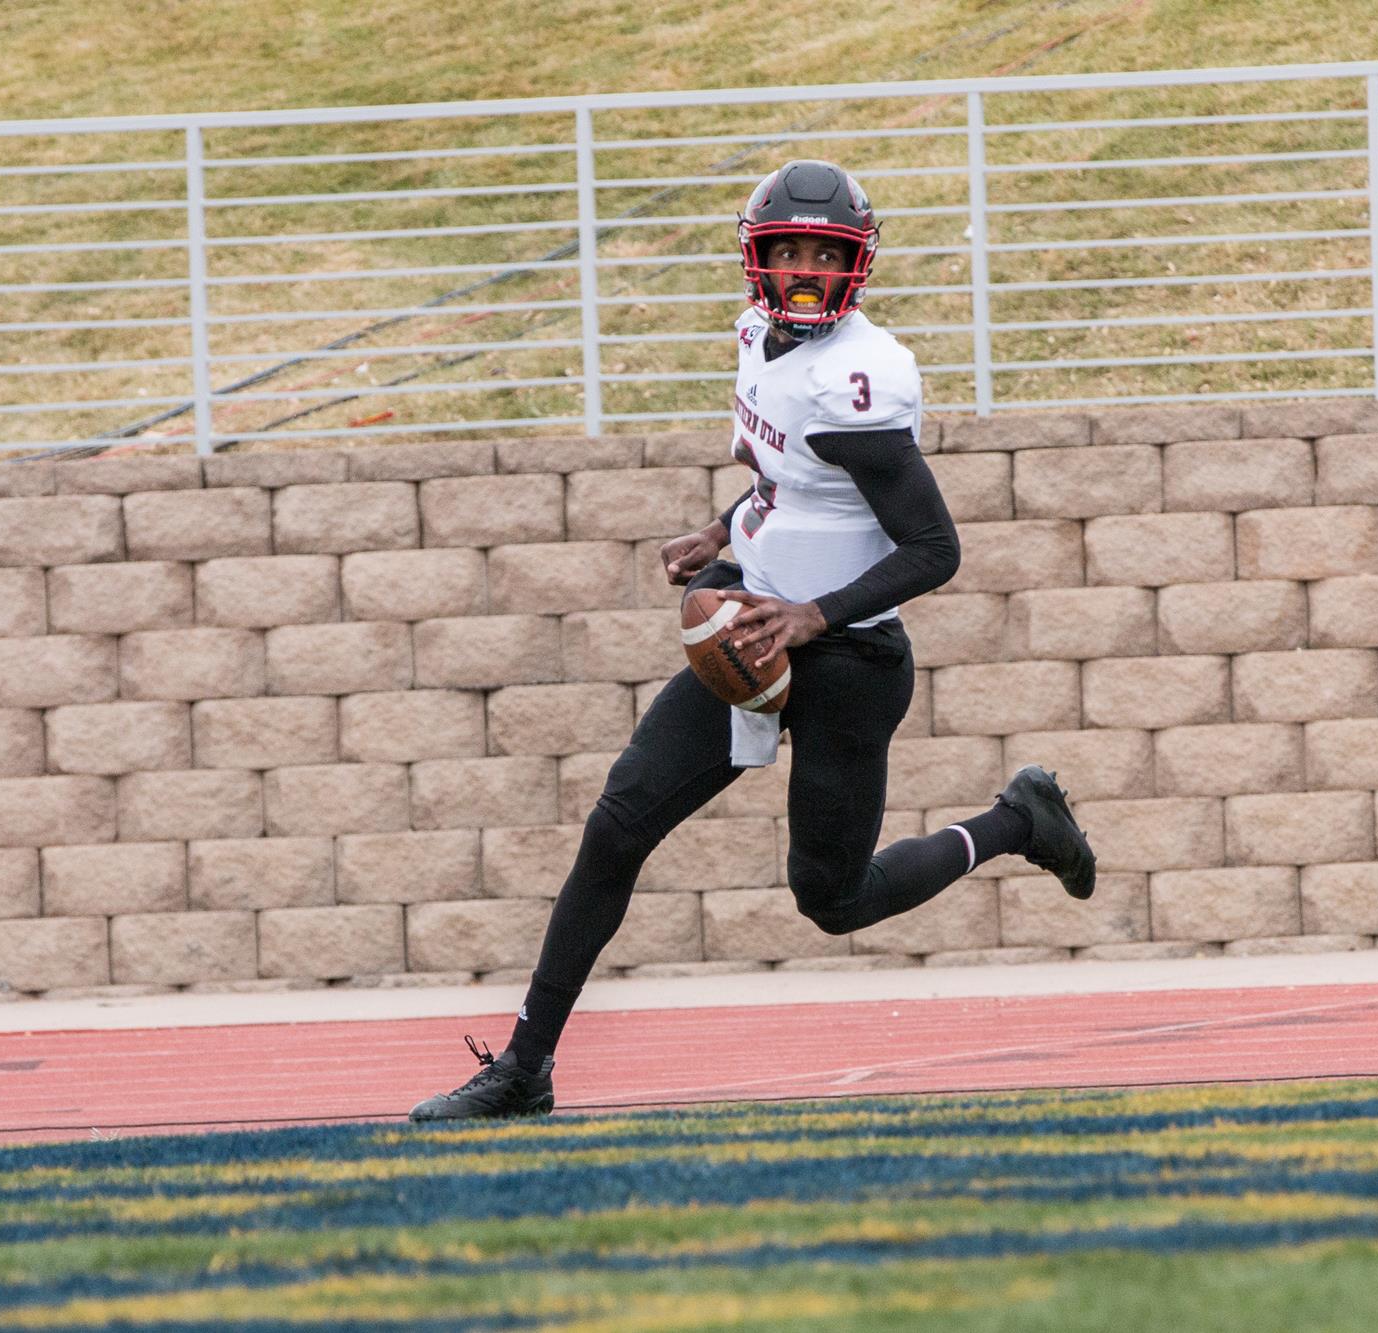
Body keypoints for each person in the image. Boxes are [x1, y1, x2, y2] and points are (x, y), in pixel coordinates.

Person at [409, 159, 1095, 1122]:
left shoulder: (861, 377)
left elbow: (935, 548)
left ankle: (1020, 822)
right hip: (749, 627)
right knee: (617, 826)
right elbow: (786, 484)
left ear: (856, 264)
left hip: (849, 658)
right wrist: (722, 531)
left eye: (827, 253)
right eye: (790, 252)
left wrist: (819, 615)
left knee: (835, 899)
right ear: (757, 260)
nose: (807, 270)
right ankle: (525, 1066)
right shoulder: (754, 339)